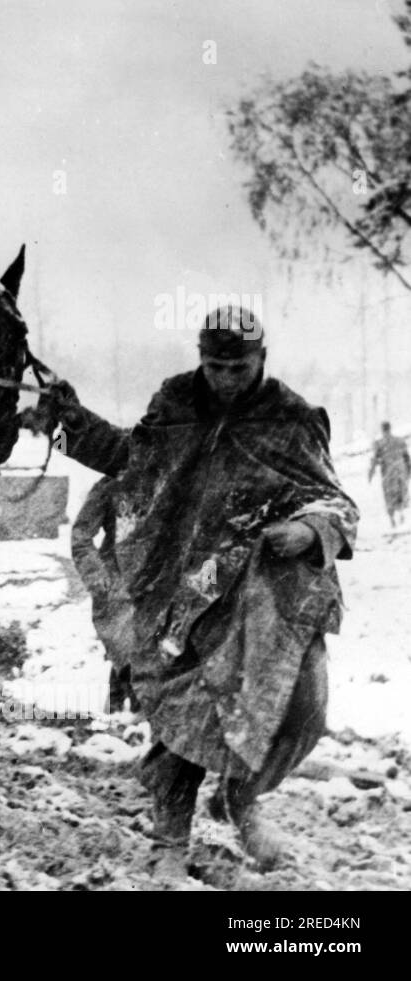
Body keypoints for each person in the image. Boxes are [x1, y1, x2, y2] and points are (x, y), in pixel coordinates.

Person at [45, 305, 357, 880]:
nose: (225, 379)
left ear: (262, 359)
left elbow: (335, 499)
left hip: (265, 591)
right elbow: (130, 459)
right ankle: (169, 842)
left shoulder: (293, 418)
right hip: (188, 583)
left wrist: (309, 529)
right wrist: (66, 423)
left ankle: (241, 797)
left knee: (301, 707)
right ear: (200, 360)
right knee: (183, 715)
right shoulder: (175, 401)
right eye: (214, 366)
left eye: (238, 367)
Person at [70, 476, 139, 715]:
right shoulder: (112, 483)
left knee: (147, 655)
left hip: (160, 582)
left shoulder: (176, 476)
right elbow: (81, 536)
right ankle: (123, 717)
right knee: (127, 649)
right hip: (117, 584)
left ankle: (123, 715)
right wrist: (97, 576)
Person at [368, 421, 409, 528]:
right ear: (390, 428)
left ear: (382, 430)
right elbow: (407, 458)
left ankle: (392, 519)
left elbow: (374, 460)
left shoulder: (378, 443)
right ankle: (401, 514)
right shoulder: (400, 440)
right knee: (401, 493)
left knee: (389, 495)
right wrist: (409, 472)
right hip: (400, 471)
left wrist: (370, 473)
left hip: (388, 473)